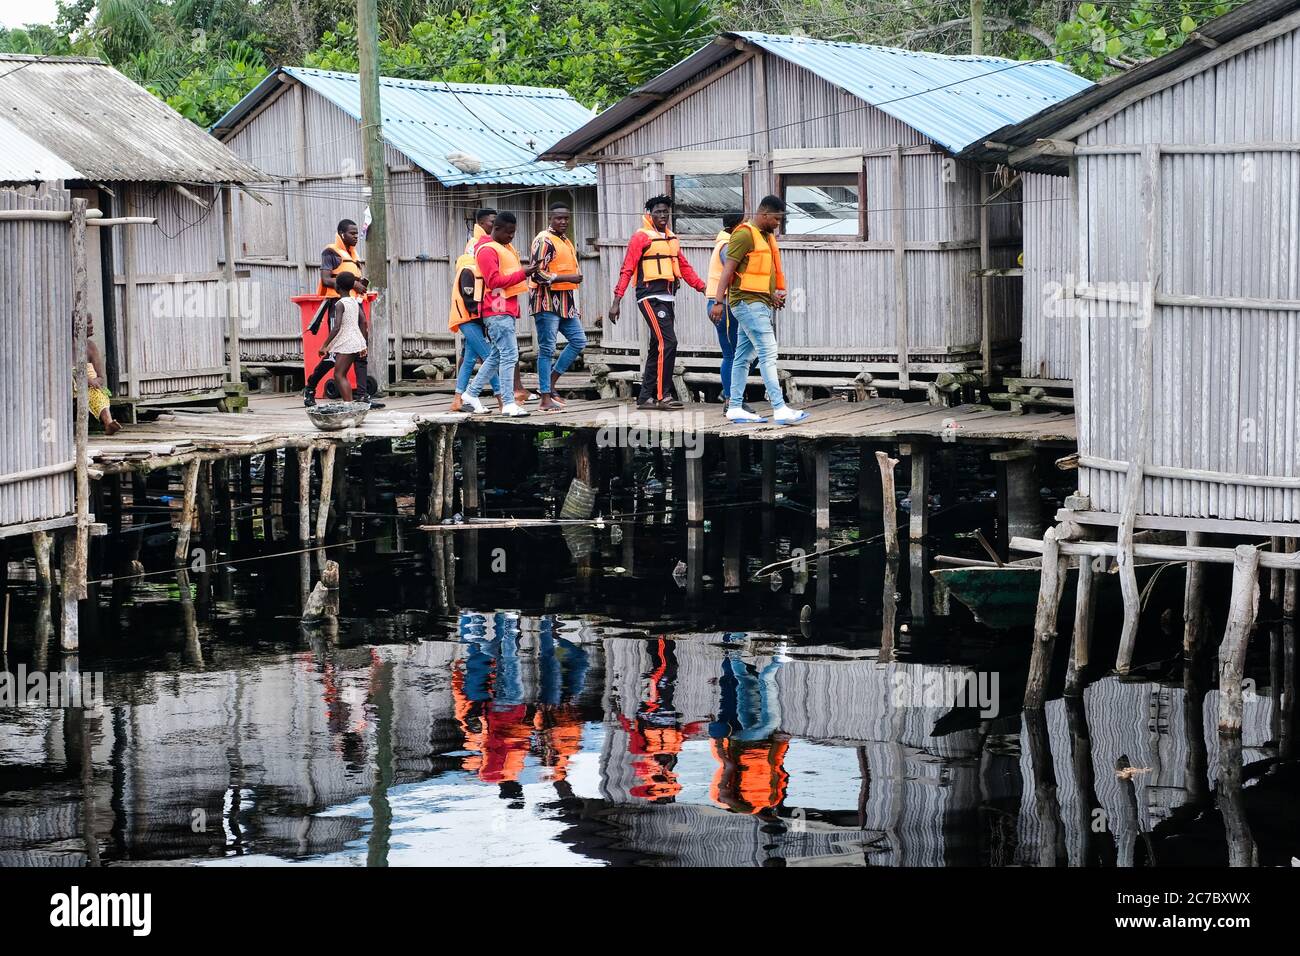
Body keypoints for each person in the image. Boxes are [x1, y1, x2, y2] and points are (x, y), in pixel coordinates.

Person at [710, 195, 807, 424]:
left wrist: (772, 295)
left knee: (742, 357)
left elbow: (756, 274)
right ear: (764, 214)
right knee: (768, 352)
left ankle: (734, 406)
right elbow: (728, 271)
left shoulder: (765, 236)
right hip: (746, 303)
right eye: (776, 219)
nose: (778, 224)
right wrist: (717, 301)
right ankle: (779, 407)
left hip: (758, 302)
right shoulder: (744, 234)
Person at [608, 195, 707, 410]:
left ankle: (644, 397)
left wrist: (703, 287)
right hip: (649, 297)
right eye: (658, 212)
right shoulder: (641, 237)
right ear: (649, 214)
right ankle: (663, 395)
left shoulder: (671, 239)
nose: (662, 215)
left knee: (657, 347)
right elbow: (627, 269)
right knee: (669, 342)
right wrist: (617, 301)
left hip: (668, 298)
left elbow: (685, 267)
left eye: (665, 212)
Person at [460, 212, 539, 417]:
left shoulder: (500, 248)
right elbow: (493, 281)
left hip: (504, 309)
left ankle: (471, 393)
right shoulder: (487, 250)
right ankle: (509, 402)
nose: (512, 236)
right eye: (509, 232)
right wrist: (524, 272)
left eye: (514, 232)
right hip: (496, 310)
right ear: (497, 229)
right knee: (509, 355)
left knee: (496, 355)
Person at [304, 219, 383, 407]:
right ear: (341, 234)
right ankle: (310, 387)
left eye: (357, 234)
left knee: (361, 350)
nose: (356, 237)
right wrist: (352, 284)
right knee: (334, 355)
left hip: (356, 303)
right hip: (337, 304)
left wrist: (360, 286)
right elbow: (325, 279)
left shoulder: (353, 255)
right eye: (352, 234)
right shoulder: (330, 252)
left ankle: (363, 397)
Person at [529, 201, 587, 412]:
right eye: (558, 218)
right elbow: (536, 273)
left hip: (565, 302)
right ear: (550, 219)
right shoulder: (544, 240)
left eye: (566, 218)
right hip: (545, 302)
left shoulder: (565, 240)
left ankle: (550, 383)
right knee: (547, 349)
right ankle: (545, 398)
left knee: (579, 341)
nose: (563, 221)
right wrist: (566, 277)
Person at [706, 211, 755, 417]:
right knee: (733, 355)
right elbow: (731, 273)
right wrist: (718, 302)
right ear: (737, 226)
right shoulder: (727, 246)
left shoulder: (727, 243)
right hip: (723, 305)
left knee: (747, 353)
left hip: (727, 304)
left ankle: (731, 393)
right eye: (744, 223)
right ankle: (731, 399)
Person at [448, 240, 505, 413]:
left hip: (473, 319)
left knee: (469, 360)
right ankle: (501, 399)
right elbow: (470, 302)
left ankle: (457, 400)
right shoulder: (468, 269)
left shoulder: (474, 268)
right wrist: (487, 318)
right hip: (468, 319)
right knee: (490, 357)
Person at [315, 271, 369, 402]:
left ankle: (348, 406)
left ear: (337, 287)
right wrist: (362, 342)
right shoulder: (354, 302)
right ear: (351, 287)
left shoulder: (340, 304)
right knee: (340, 374)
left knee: (339, 375)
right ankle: (349, 405)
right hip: (356, 340)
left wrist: (325, 345)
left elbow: (337, 327)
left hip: (347, 342)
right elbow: (364, 322)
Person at [82, 316, 120, 435]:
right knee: (90, 390)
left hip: (91, 387)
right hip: (74, 385)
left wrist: (96, 382)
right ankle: (108, 423)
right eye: (88, 323)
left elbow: (101, 376)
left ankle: (109, 423)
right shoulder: (66, 347)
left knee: (98, 392)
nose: (92, 326)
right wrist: (86, 380)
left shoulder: (91, 346)